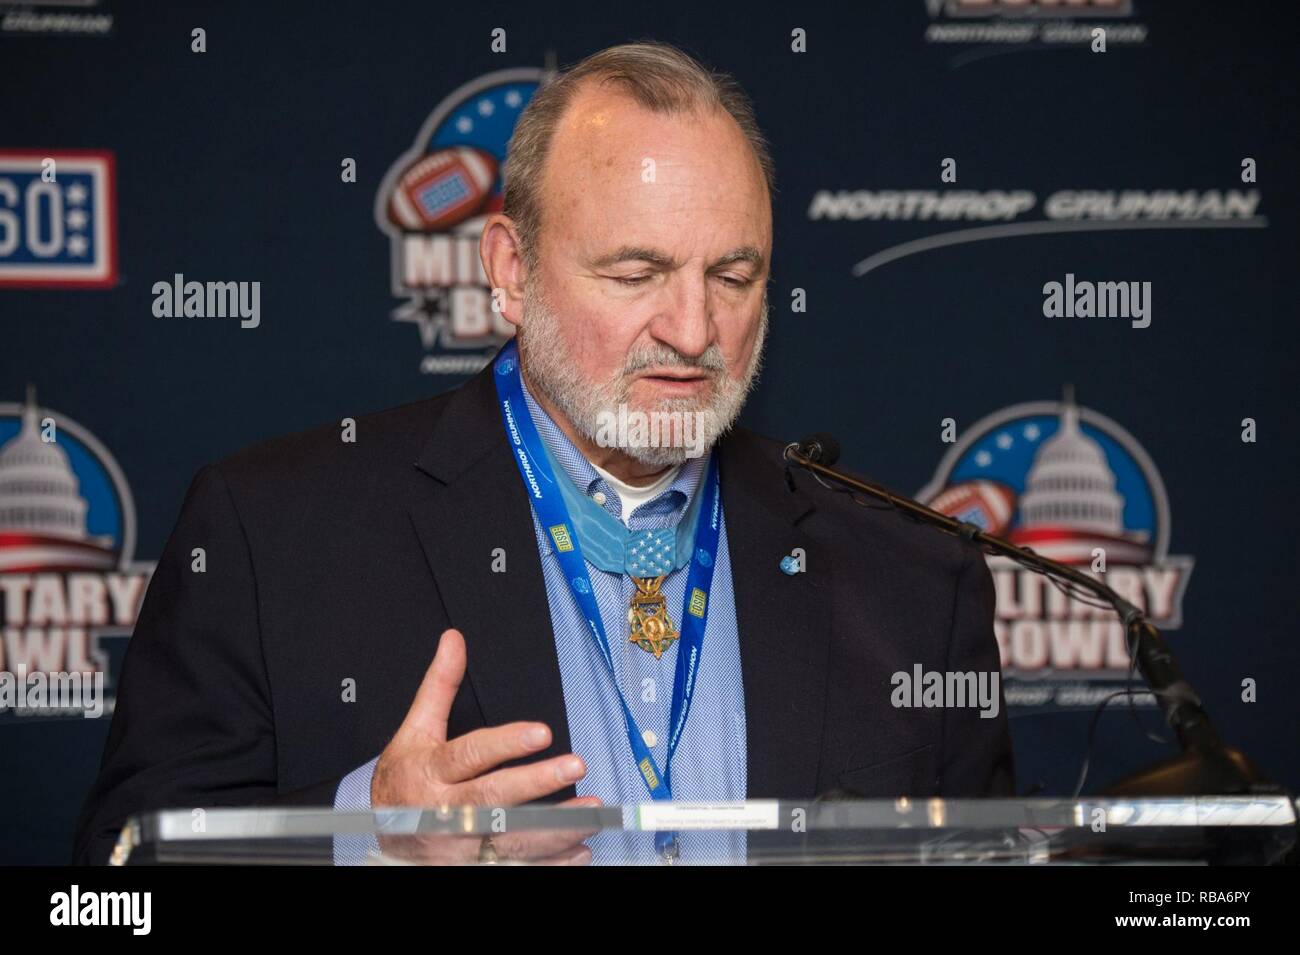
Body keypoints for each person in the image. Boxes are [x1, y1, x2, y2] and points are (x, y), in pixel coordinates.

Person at [74, 41, 1012, 867]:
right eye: (636, 273)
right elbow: (115, 883)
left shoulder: (911, 579)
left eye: (734, 275)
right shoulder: (272, 535)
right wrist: (368, 835)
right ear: (510, 272)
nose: (694, 330)